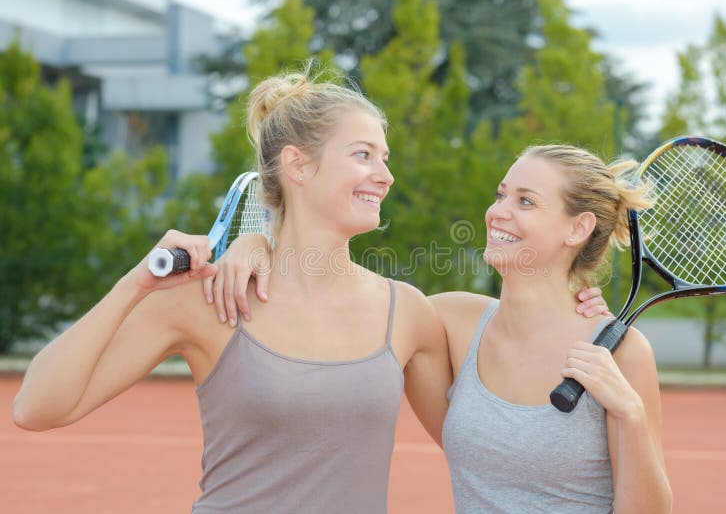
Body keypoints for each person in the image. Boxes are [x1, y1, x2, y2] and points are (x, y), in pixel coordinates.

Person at [11, 68, 607, 513]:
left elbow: (485, 449)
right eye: (363, 155)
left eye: (385, 157)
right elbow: (37, 407)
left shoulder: (407, 313)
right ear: (298, 165)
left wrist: (573, 312)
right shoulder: (207, 300)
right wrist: (138, 281)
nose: (385, 175)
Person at [212, 146, 671, 513]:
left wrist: (629, 411)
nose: (498, 212)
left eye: (526, 201)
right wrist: (257, 244)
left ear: (578, 228)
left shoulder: (623, 355)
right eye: (501, 195)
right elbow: (336, 304)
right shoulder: (452, 321)